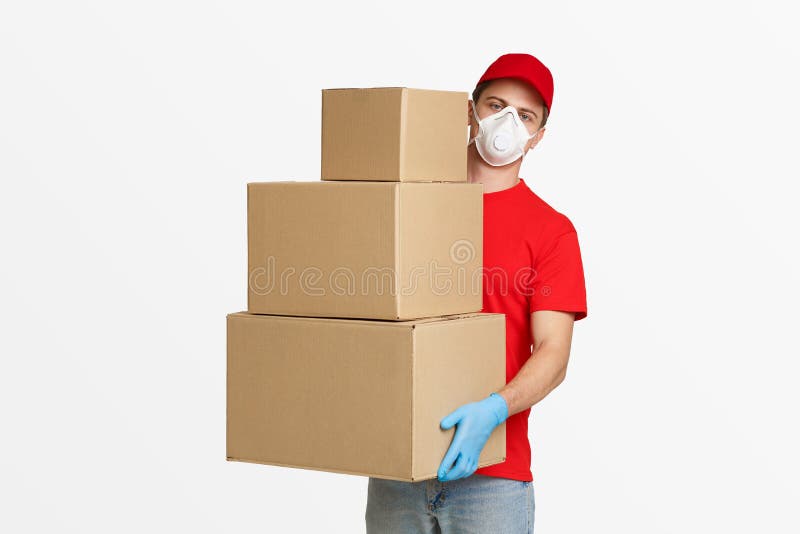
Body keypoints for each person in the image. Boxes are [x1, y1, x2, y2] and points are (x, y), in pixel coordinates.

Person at [365, 53, 588, 533]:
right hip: (396, 468)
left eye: (525, 116)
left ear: (538, 136)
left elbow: (554, 352)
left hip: (494, 482)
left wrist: (494, 409)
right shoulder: (408, 204)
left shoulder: (551, 232)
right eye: (496, 104)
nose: (506, 122)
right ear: (471, 111)